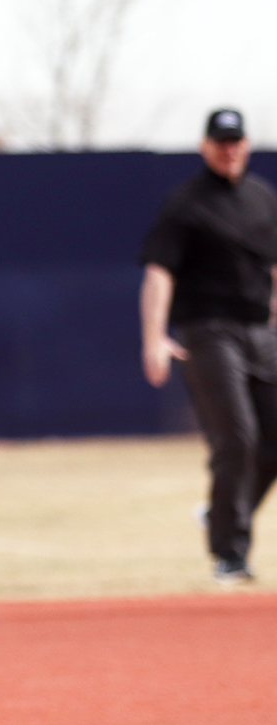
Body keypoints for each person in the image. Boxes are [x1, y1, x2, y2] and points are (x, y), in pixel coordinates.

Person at [140, 108, 277, 584]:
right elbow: (160, 272)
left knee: (273, 443)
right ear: (205, 146)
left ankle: (220, 513)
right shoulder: (186, 205)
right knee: (237, 438)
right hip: (208, 331)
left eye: (236, 140)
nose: (229, 148)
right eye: (220, 141)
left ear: (246, 143)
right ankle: (230, 554)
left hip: (262, 331)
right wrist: (154, 337)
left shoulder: (263, 198)